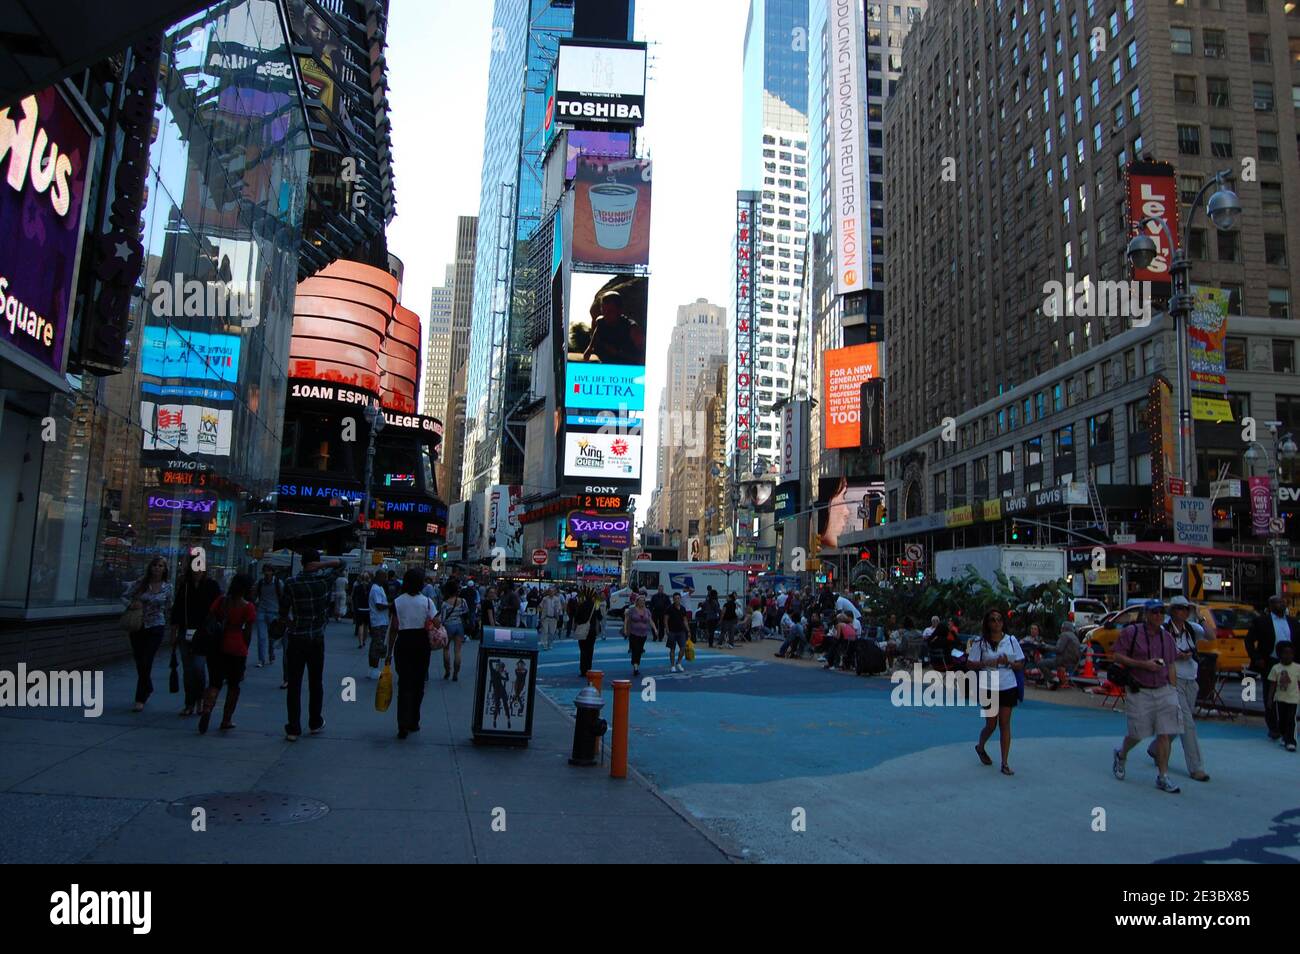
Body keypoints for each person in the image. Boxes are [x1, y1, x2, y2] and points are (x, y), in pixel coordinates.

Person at [1111, 600, 1183, 793]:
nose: (1158, 615)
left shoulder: (1167, 638)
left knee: (1165, 732)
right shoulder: (1132, 633)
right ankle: (1121, 753)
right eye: (1154, 612)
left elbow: (1171, 665)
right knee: (1137, 733)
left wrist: (1173, 688)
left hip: (1163, 688)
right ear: (1146, 614)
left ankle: (1163, 775)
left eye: (1161, 612)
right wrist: (1143, 665)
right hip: (1139, 689)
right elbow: (1117, 656)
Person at [281, 550, 344, 741]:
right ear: (316, 563)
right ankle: (315, 721)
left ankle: (293, 727)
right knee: (316, 682)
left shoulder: (291, 583)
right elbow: (342, 563)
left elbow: (283, 612)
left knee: (294, 684)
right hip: (316, 638)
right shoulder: (322, 582)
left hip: (296, 638)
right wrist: (323, 565)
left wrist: (292, 625)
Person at [1148, 596, 1210, 782]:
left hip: (1191, 678)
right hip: (1173, 679)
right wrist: (1176, 655)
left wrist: (1201, 617)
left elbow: (1212, 636)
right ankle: (1196, 767)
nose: (1184, 612)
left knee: (1180, 721)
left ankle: (1155, 749)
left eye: (1186, 609)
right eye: (1180, 608)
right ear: (1173, 610)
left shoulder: (1192, 628)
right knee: (1188, 723)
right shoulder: (1164, 630)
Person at [968, 608, 1024, 775]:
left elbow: (1020, 663)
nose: (997, 622)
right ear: (988, 623)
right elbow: (970, 664)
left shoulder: (1011, 640)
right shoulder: (980, 642)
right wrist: (989, 662)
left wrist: (1010, 663)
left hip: (1007, 685)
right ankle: (980, 746)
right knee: (991, 725)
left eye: (999, 619)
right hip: (988, 685)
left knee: (1005, 724)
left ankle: (1005, 762)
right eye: (993, 619)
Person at [199, 573, 256, 734]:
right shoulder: (248, 606)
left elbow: (210, 618)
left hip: (217, 645)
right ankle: (226, 719)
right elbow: (248, 633)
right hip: (237, 646)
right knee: (233, 685)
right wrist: (245, 648)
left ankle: (207, 709)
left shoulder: (222, 601)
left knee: (214, 682)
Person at [122, 557, 174, 712]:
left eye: (161, 566)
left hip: (156, 626)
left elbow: (170, 605)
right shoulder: (140, 583)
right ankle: (148, 686)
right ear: (150, 567)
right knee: (139, 661)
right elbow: (124, 595)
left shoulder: (167, 587)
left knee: (147, 660)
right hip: (138, 626)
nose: (157, 568)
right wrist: (131, 604)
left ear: (165, 569)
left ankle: (140, 698)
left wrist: (173, 626)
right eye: (155, 565)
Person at [390, 568, 437, 739]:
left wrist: (388, 652)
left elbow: (394, 628)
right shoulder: (427, 602)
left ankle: (402, 723)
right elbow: (437, 622)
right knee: (418, 684)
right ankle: (414, 720)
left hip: (403, 642)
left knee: (404, 684)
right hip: (421, 643)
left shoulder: (397, 602)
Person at [1246, 595, 1300, 741]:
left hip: (1291, 663)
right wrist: (1257, 658)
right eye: (1278, 602)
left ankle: (1286, 726)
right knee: (1270, 694)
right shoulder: (1261, 621)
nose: (1282, 604)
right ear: (1270, 606)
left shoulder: (1293, 622)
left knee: (1290, 695)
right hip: (1270, 661)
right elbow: (1249, 641)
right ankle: (1273, 727)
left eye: (1283, 602)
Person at [169, 564, 220, 716]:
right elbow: (176, 610)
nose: (197, 571)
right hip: (186, 631)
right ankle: (189, 702)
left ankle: (200, 699)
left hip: (204, 633)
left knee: (198, 667)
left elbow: (218, 608)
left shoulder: (211, 586)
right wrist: (174, 632)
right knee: (188, 669)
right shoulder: (185, 586)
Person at [581, 288, 646, 365]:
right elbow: (597, 331)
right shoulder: (601, 321)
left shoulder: (632, 329)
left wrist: (618, 353)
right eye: (604, 310)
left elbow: (643, 357)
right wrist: (589, 348)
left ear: (620, 310)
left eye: (610, 311)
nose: (606, 315)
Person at [1267, 641, 1299, 752]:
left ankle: (1291, 741)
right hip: (1280, 698)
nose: (1288, 656)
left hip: (1293, 698)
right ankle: (1284, 736)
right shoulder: (1276, 668)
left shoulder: (1297, 668)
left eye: (1290, 654)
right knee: (1282, 720)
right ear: (1280, 654)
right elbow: (1273, 684)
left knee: (1291, 719)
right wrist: (1270, 699)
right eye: (1285, 653)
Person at [252, 564, 283, 668]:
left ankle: (271, 653)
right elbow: (254, 595)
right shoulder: (260, 583)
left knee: (271, 637)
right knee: (261, 637)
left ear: (272, 572)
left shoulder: (278, 583)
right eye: (265, 571)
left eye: (269, 571)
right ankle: (261, 659)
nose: (266, 573)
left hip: (274, 612)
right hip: (262, 611)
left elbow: (283, 598)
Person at [439, 579, 468, 681]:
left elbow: (442, 619)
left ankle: (447, 671)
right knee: (458, 651)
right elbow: (465, 610)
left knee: (446, 649)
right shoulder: (462, 601)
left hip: (448, 626)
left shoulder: (445, 604)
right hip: (459, 625)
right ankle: (455, 674)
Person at [367, 569, 391, 680]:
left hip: (381, 620)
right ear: (378, 577)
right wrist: (390, 605)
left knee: (375, 644)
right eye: (383, 577)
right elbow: (379, 605)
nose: (385, 579)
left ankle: (372, 668)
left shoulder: (379, 588)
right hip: (378, 621)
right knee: (377, 645)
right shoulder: (376, 589)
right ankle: (374, 669)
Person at [623, 594, 655, 676]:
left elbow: (650, 620)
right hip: (634, 634)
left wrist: (655, 629)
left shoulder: (647, 611)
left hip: (643, 635)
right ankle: (635, 666)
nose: (642, 603)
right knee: (635, 650)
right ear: (637, 602)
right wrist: (625, 629)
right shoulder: (632, 610)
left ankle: (636, 664)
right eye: (640, 601)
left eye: (643, 601)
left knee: (640, 650)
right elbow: (627, 620)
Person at [574, 589, 602, 676]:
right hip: (592, 630)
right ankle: (589, 668)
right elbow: (600, 617)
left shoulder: (581, 605)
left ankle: (583, 669)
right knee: (590, 650)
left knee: (583, 650)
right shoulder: (596, 605)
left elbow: (577, 618)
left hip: (582, 629)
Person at [664, 593, 692, 673]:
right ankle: (672, 666)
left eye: (678, 598)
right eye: (675, 598)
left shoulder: (683, 608)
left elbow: (685, 620)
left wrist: (688, 630)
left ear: (680, 599)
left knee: (683, 648)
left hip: (681, 631)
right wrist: (667, 629)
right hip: (672, 631)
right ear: (673, 599)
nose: (677, 599)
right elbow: (665, 619)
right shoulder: (669, 608)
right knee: (672, 649)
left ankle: (679, 662)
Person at [351, 572, 371, 649]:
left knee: (360, 626)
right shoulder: (370, 587)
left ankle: (360, 643)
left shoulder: (357, 587)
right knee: (366, 627)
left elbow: (353, 597)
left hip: (359, 609)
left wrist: (354, 607)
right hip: (368, 609)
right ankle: (364, 641)